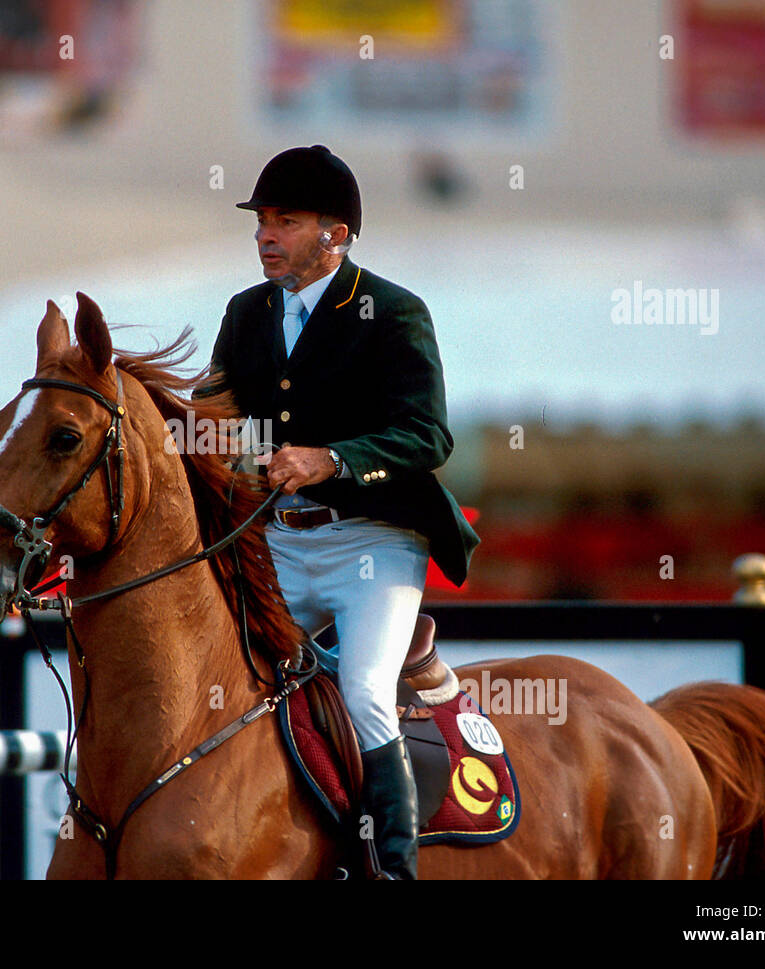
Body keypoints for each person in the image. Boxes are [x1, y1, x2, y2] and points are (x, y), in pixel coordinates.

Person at [203, 145, 480, 878]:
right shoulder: (245, 312)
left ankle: (394, 868)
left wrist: (329, 459)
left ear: (337, 234)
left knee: (362, 692)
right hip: (278, 545)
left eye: (284, 222)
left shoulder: (392, 311)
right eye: (261, 222)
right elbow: (213, 420)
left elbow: (428, 435)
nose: (264, 236)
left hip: (374, 544)